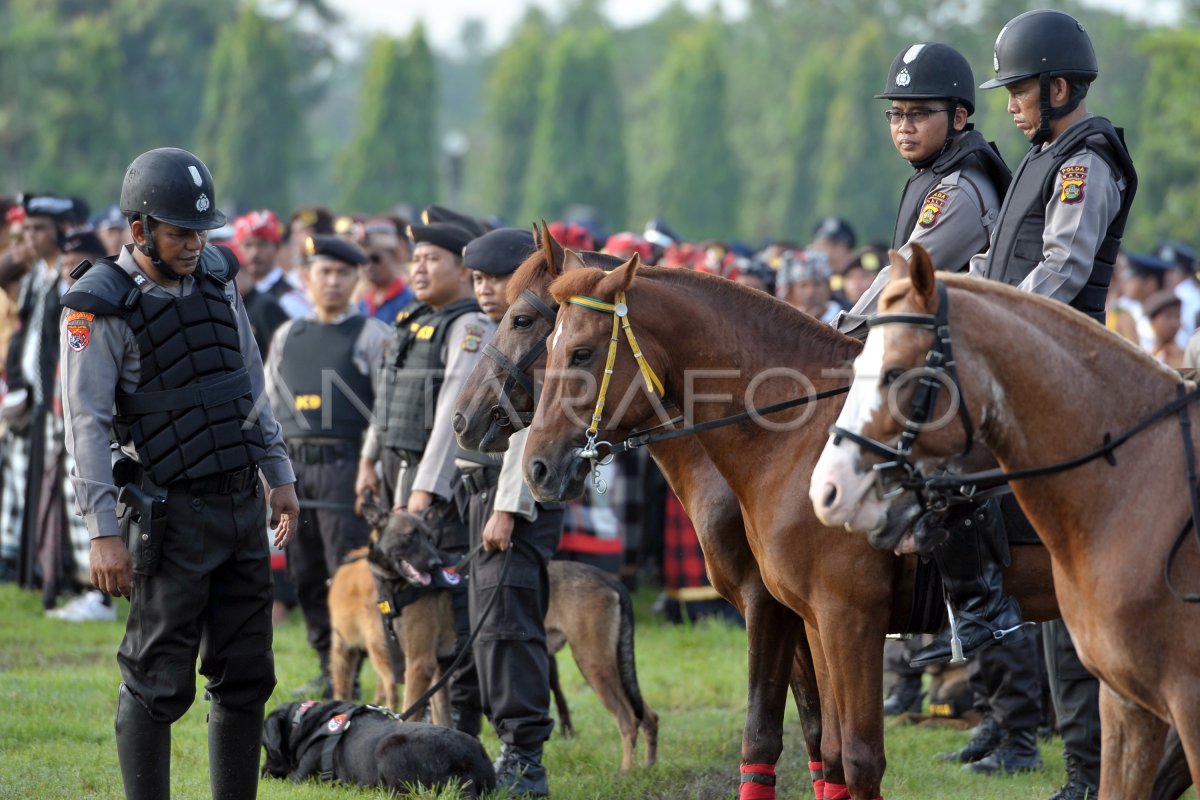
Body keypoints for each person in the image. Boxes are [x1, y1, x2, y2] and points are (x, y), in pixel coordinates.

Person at [59, 147, 299, 800]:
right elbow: (83, 424)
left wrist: (279, 475)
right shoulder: (95, 305)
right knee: (157, 680)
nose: (196, 243)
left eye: (201, 230)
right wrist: (101, 532)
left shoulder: (219, 275)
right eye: (180, 231)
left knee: (247, 675)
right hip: (168, 516)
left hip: (241, 506)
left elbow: (248, 381)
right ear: (139, 230)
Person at [964, 11, 1137, 792]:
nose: (1010, 102)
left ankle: (1086, 770)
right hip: (1020, 370)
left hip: (1064, 379)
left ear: (1059, 87)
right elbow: (993, 257)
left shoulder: (1083, 161)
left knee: (1071, 588)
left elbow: (1062, 271)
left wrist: (991, 328)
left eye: (1020, 89)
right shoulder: (1039, 157)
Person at [355, 206, 494, 735]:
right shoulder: (412, 319)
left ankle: (459, 734)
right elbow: (387, 401)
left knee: (447, 619)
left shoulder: (469, 326)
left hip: (436, 496)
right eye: (413, 259)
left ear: (463, 270)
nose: (417, 268)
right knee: (402, 608)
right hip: (397, 479)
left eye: (431, 259)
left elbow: (450, 418)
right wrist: (369, 458)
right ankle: (419, 726)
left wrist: (422, 493)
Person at [455, 227, 565, 796]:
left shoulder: (545, 333)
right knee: (483, 629)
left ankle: (525, 760)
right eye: (477, 279)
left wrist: (507, 507)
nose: (486, 289)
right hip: (480, 496)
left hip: (517, 504)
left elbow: (540, 427)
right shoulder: (506, 332)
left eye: (498, 279)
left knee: (510, 628)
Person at [266, 234, 390, 697]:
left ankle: (362, 674)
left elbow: (385, 409)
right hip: (296, 473)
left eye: (342, 273)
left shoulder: (373, 335)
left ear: (357, 279)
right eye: (324, 272)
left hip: (346, 471)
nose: (332, 281)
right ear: (306, 278)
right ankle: (327, 663)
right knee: (305, 571)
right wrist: (270, 471)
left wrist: (370, 465)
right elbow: (270, 407)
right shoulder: (287, 334)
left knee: (351, 575)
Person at [235, 209, 311, 318]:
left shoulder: (290, 300)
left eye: (262, 245)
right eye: (248, 245)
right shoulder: (234, 296)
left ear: (277, 248)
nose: (254, 253)